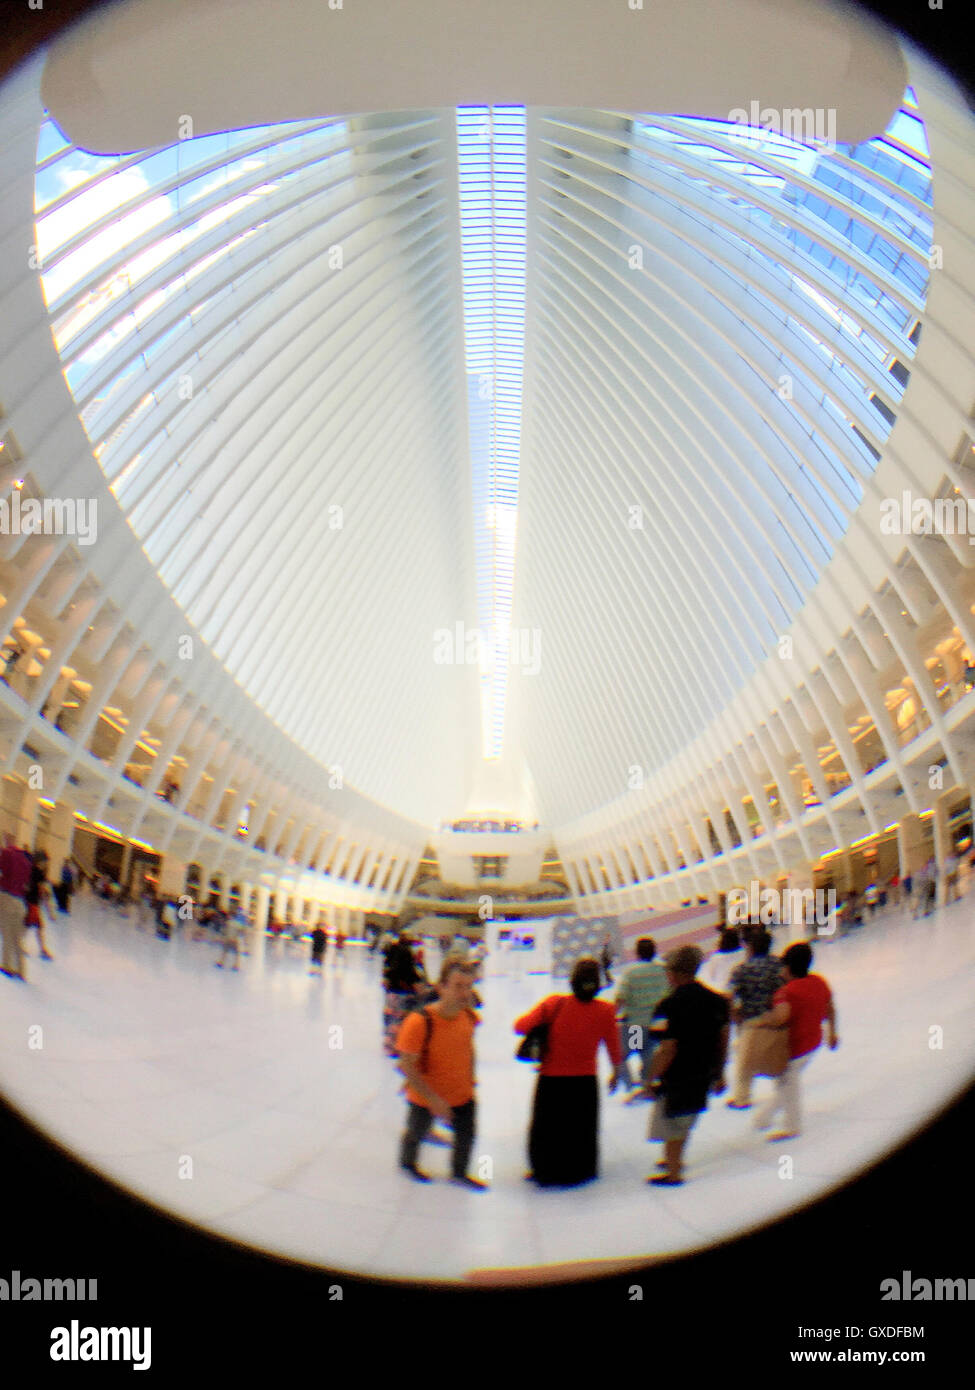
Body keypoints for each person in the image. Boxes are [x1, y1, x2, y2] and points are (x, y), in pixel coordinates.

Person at [514, 957, 622, 1187]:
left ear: (572, 981)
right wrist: (616, 1072)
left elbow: (519, 1026)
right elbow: (614, 1047)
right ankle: (580, 1170)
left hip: (551, 1080)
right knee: (580, 1129)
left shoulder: (554, 1004)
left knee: (548, 1128)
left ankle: (544, 1170)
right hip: (584, 1082)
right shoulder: (606, 1010)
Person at [642, 945, 730, 1186]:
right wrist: (720, 1074)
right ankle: (674, 1161)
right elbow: (723, 1040)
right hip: (704, 1070)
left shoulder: (667, 1006)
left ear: (673, 973)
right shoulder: (717, 1001)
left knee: (673, 1122)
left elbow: (667, 1049)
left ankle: (673, 1173)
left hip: (677, 1074)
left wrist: (649, 1078)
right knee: (685, 1119)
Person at [396, 958, 486, 1189]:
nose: (465, 993)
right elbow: (407, 1065)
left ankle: (459, 1172)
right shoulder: (419, 1022)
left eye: (468, 986)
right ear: (441, 987)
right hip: (426, 1096)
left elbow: (468, 1046)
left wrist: (471, 1079)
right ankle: (408, 1164)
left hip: (462, 1093)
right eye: (458, 986)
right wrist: (433, 1099)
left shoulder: (469, 1016)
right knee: (417, 1131)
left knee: (466, 1134)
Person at [751, 940, 838, 1140]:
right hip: (814, 1042)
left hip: (794, 1048)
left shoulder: (786, 992)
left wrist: (765, 1020)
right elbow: (830, 1008)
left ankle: (791, 1126)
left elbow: (780, 1017)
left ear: (788, 967)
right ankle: (763, 1118)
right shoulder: (819, 981)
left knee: (788, 1084)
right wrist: (832, 1032)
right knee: (786, 1083)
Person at [726, 928, 784, 1109]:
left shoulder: (741, 969)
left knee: (745, 1062)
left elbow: (729, 996)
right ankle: (783, 1091)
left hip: (750, 1020)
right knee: (778, 1054)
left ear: (749, 947)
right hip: (775, 1018)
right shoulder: (779, 965)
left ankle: (742, 1098)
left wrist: (734, 1014)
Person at [613, 937, 670, 1098]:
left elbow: (621, 998)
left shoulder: (631, 972)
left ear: (637, 953)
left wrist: (612, 1016)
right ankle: (647, 1084)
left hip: (636, 1024)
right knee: (648, 1053)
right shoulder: (663, 971)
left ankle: (631, 1086)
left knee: (624, 1054)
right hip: (657, 1025)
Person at [383, 931, 424, 1056]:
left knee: (391, 1018)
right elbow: (410, 972)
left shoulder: (393, 951)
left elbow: (388, 968)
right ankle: (399, 1045)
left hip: (392, 991)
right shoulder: (406, 953)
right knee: (400, 1019)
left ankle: (390, 1044)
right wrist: (416, 983)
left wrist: (387, 979)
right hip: (403, 991)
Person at [0, 835, 32, 980]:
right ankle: (21, 970)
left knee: (7, 934)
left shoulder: (7, 854)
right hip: (20, 902)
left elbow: (3, 872)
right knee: (17, 938)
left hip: (7, 898)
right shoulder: (25, 860)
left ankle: (7, 965)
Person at [23, 848, 55, 961]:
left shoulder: (30, 870)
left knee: (31, 926)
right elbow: (42, 891)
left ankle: (41, 949)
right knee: (35, 927)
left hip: (28, 901)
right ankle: (42, 950)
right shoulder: (39, 874)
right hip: (34, 903)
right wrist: (49, 911)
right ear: (41, 861)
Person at [697, 927, 747, 996]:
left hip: (719, 992)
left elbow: (708, 976)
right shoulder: (744, 954)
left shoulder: (716, 957)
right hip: (739, 992)